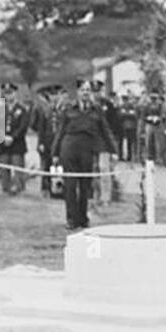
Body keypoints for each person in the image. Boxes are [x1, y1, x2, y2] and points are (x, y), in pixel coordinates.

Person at [52, 79, 118, 232]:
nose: (86, 93)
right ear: (77, 92)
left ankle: (82, 218)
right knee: (70, 185)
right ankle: (71, 219)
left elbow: (105, 131)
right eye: (83, 90)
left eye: (88, 90)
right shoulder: (69, 109)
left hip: (87, 150)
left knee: (85, 186)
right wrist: (55, 153)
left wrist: (113, 150)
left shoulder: (97, 110)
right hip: (69, 149)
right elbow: (60, 132)